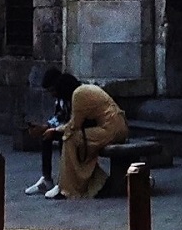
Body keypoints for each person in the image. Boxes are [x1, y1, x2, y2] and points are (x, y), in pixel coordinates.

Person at [29, 72, 127, 202]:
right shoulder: (80, 92)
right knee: (67, 136)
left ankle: (67, 186)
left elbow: (74, 125)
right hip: (113, 126)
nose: (53, 94)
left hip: (111, 129)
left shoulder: (78, 95)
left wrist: (55, 130)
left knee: (70, 138)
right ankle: (58, 181)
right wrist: (50, 128)